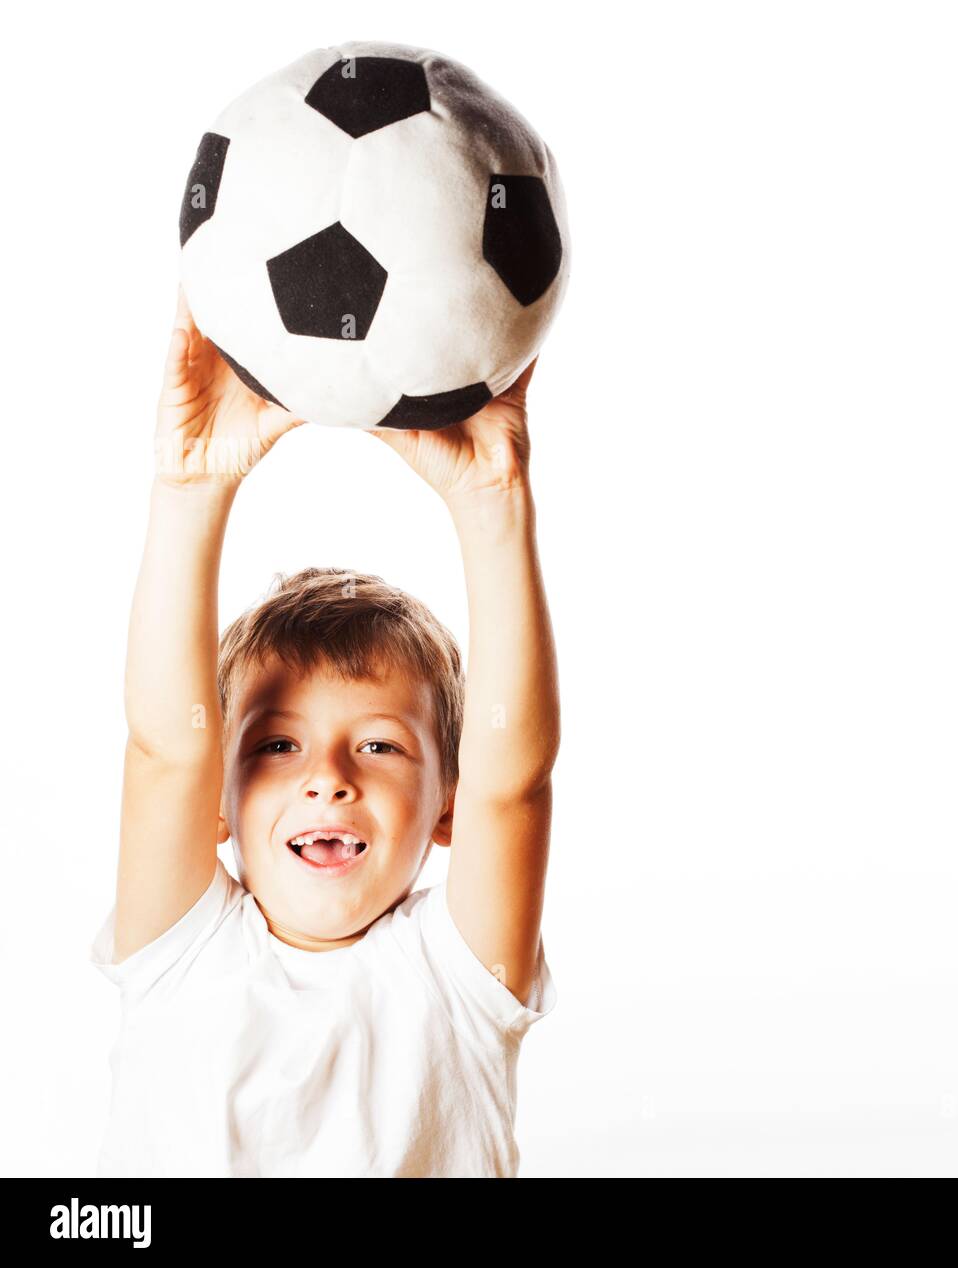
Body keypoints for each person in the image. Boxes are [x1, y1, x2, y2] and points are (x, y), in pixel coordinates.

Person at [89, 286, 559, 1177]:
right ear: (217, 804)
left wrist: (492, 501)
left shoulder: (457, 982)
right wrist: (192, 487)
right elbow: (167, 749)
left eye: (380, 745)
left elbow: (515, 784)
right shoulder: (180, 951)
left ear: (447, 804)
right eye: (276, 745)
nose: (328, 779)